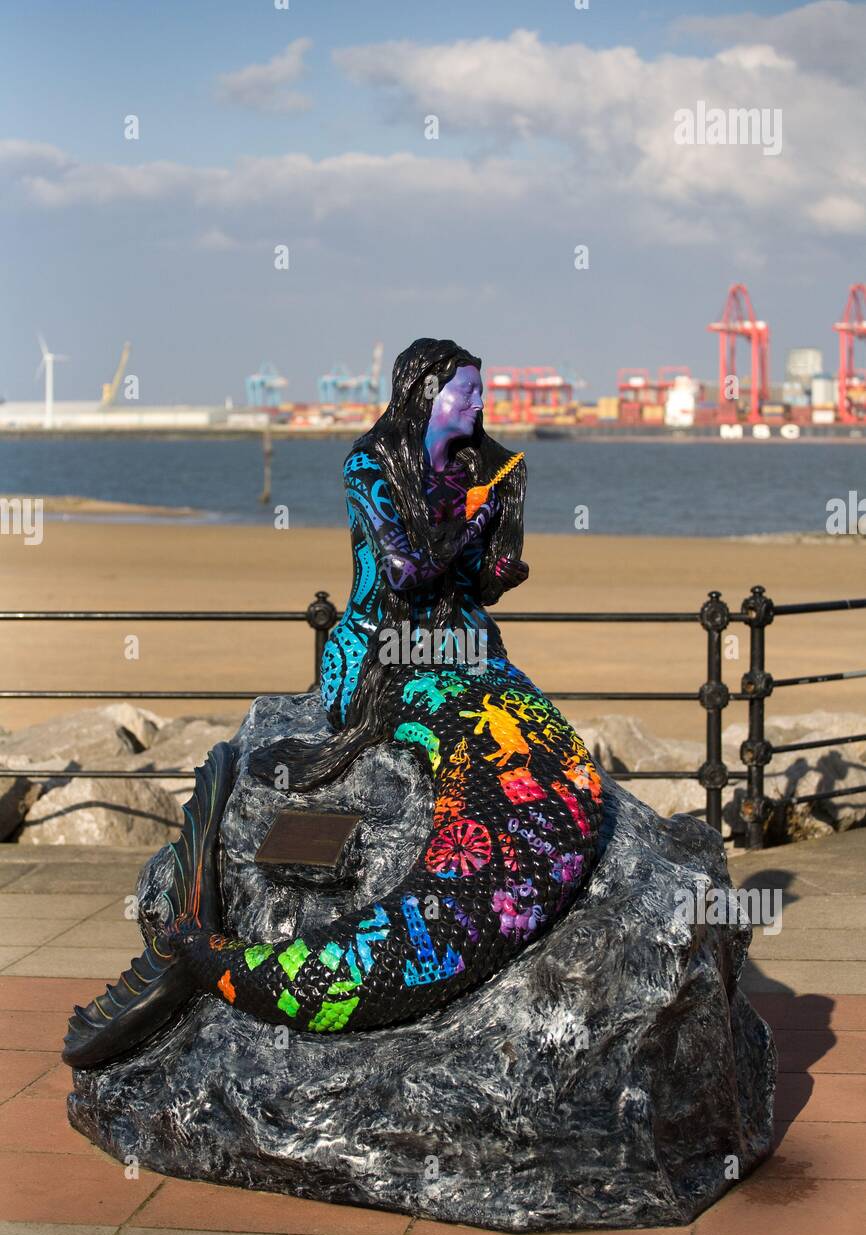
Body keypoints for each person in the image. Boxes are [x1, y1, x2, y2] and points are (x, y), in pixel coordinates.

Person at [63, 339, 602, 1067]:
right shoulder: (371, 464)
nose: (479, 406)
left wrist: (501, 529)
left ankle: (207, 955)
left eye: (481, 391)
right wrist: (473, 519)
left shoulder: (489, 467)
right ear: (422, 393)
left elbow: (489, 578)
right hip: (384, 653)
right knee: (469, 869)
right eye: (465, 392)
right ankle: (205, 953)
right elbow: (409, 569)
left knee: (548, 778)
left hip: (465, 648)